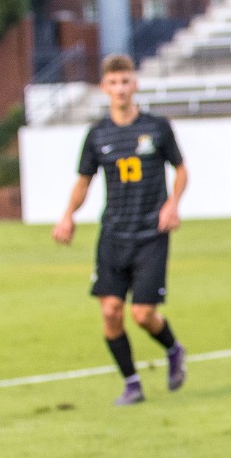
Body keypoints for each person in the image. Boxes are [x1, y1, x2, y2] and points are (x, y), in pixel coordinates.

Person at [52, 53, 188, 406]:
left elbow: (182, 170)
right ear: (104, 88)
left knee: (142, 314)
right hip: (113, 235)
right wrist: (67, 215)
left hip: (150, 235)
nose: (120, 89)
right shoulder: (98, 135)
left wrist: (172, 203)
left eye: (125, 81)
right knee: (111, 311)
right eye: (113, 83)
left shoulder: (157, 127)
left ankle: (173, 349)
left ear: (135, 84)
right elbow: (83, 181)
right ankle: (132, 383)